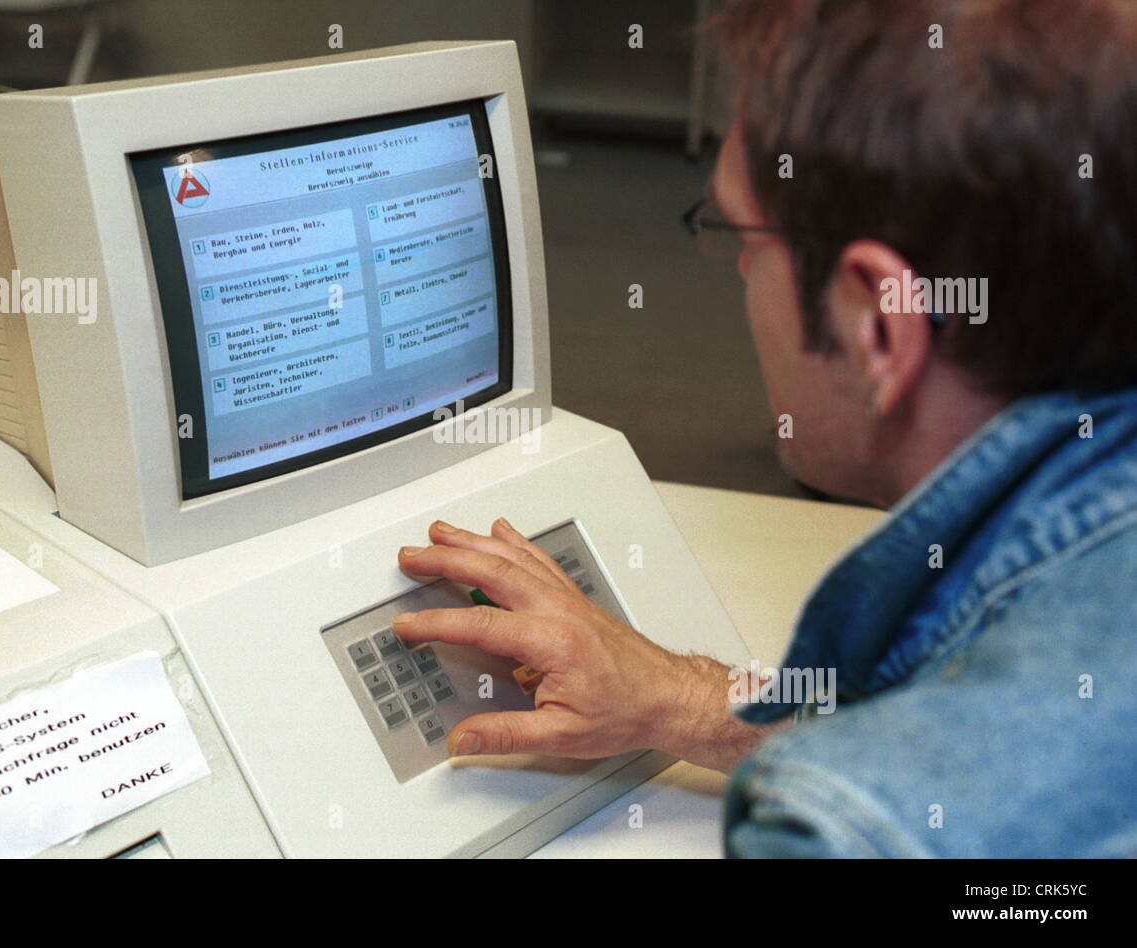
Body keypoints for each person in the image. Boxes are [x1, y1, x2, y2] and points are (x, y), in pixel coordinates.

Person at [392, 0, 1137, 856]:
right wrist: (675, 698)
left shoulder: (848, 830)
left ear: (880, 327)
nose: (741, 269)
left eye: (744, 234)